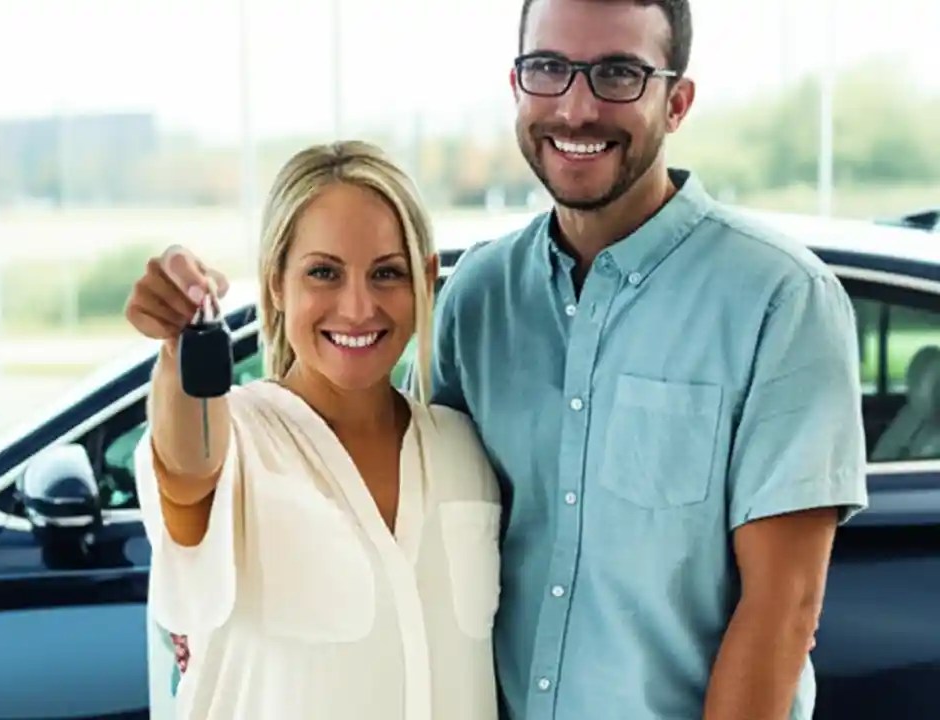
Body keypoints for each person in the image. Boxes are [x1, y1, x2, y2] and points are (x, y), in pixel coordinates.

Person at [429, 1, 869, 719]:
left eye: (618, 73)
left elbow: (783, 607)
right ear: (517, 85)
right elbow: (402, 517)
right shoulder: (478, 296)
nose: (576, 108)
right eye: (549, 68)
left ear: (678, 101)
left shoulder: (781, 301)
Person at [126, 140, 503, 720]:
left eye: (387, 273)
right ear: (276, 282)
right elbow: (188, 466)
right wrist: (181, 347)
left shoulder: (465, 449)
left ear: (426, 280)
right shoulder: (245, 441)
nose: (357, 308)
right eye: (323, 273)